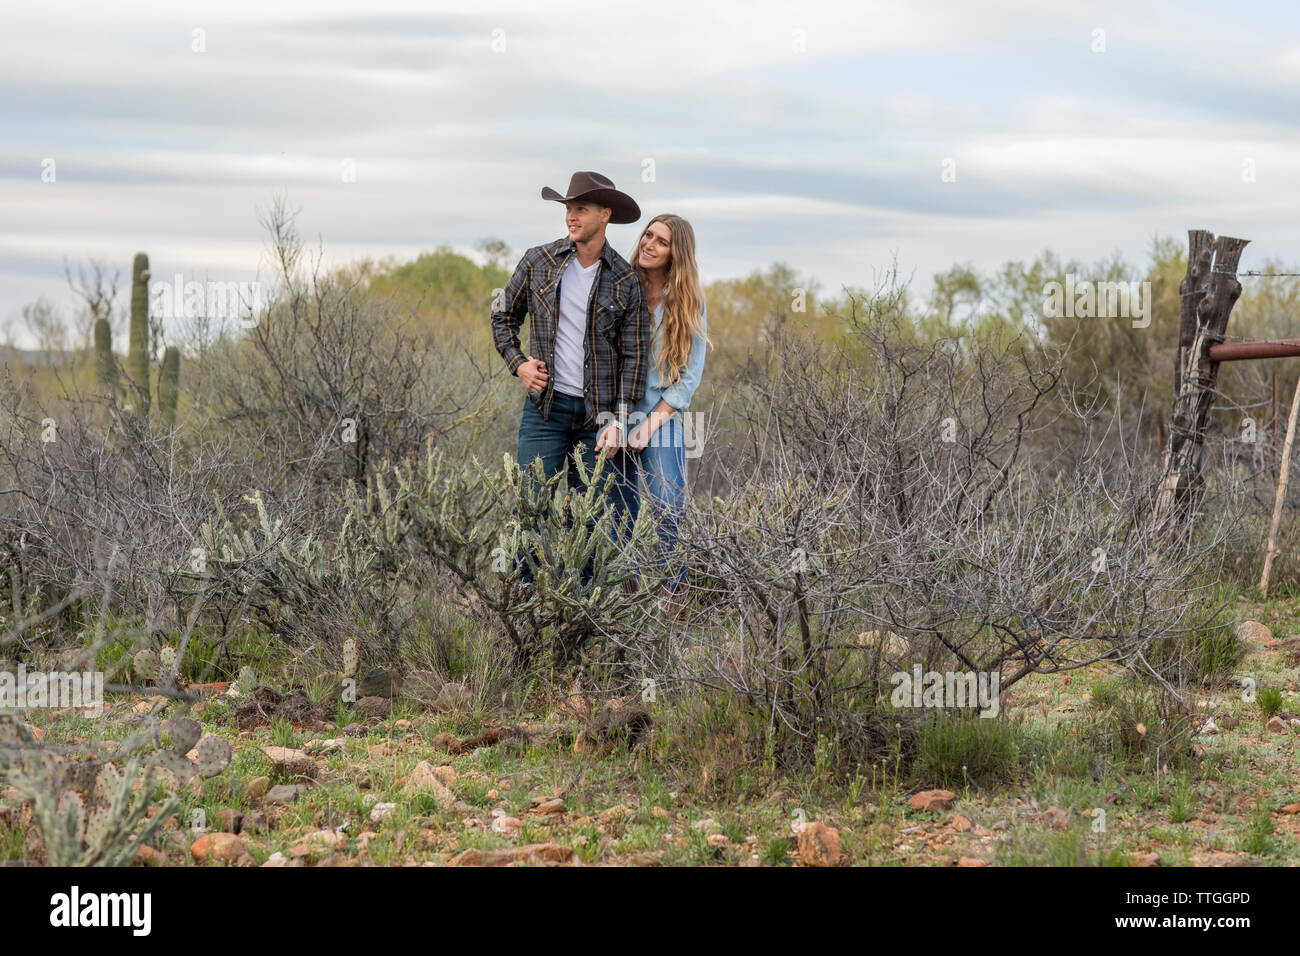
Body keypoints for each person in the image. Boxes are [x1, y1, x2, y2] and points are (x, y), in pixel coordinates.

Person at [490, 171, 650, 584]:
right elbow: (503, 314)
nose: (571, 217)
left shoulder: (626, 280)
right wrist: (519, 363)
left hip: (596, 420)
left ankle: (581, 617)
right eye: (568, 209)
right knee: (530, 508)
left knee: (589, 520)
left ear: (605, 215)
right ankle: (521, 609)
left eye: (580, 209)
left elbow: (635, 356)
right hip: (545, 408)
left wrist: (618, 421)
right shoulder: (537, 261)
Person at [609, 214, 709, 602]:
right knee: (619, 508)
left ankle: (675, 596)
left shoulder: (688, 303)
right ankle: (625, 597)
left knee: (668, 503)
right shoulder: (619, 287)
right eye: (647, 235)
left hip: (660, 415)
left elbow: (689, 378)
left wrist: (648, 427)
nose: (649, 243)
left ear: (676, 253)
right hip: (614, 413)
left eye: (661, 241)